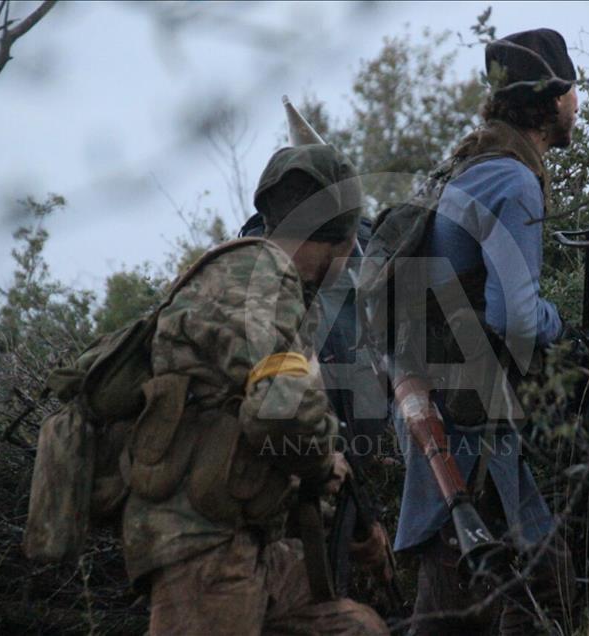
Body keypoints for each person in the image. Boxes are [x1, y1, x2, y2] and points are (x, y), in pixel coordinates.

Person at [120, 143, 388, 635]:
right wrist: (329, 462)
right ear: (343, 240)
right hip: (203, 546)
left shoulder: (258, 277)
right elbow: (280, 415)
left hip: (244, 540)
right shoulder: (261, 281)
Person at [389, 28, 581, 635]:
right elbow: (515, 317)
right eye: (572, 90)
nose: (578, 102)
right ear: (550, 100)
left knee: (481, 593)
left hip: (436, 405)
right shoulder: (515, 180)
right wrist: (562, 325)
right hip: (464, 421)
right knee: (529, 583)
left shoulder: (469, 164)